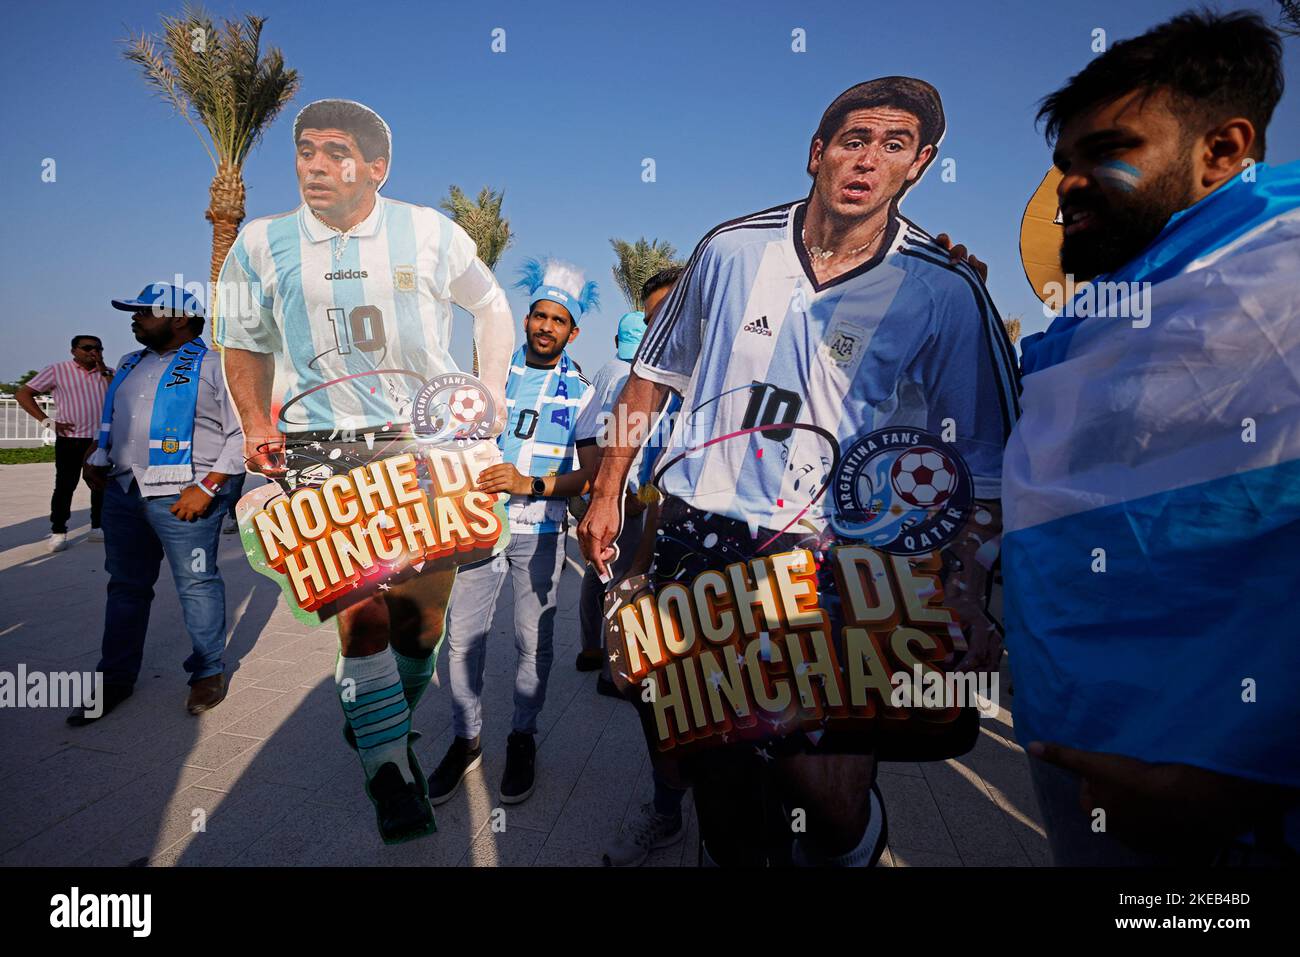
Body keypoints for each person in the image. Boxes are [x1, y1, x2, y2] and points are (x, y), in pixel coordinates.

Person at [580, 77, 1019, 867]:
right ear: (817, 153)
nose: (868, 160)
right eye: (853, 139)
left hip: (842, 557)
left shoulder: (945, 289)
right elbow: (651, 374)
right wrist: (608, 489)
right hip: (700, 535)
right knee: (715, 753)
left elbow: (985, 459)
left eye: (894, 145)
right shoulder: (729, 248)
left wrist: (967, 586)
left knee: (825, 787)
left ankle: (850, 849)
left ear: (920, 165)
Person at [1002, 10, 1300, 865]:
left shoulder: (1279, 276)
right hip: (1083, 763)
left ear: (1222, 148)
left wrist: (1244, 768)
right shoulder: (1117, 311)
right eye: (1065, 164)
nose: (1068, 184)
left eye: (1109, 151)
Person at [214, 98, 516, 844]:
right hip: (319, 447)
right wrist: (256, 422)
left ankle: (386, 713)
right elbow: (241, 338)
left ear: (377, 167)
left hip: (423, 447)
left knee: (423, 620)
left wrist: (493, 388)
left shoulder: (430, 232)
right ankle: (388, 767)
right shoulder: (258, 242)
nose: (315, 165)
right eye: (305, 150)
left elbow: (492, 306)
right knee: (361, 607)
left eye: (336, 152)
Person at [428, 258, 595, 807]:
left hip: (542, 535)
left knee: (533, 644)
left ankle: (522, 736)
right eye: (538, 316)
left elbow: (590, 473)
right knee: (462, 641)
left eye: (558, 320)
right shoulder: (487, 382)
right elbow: (444, 444)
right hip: (479, 530)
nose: (546, 327)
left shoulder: (585, 391)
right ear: (525, 321)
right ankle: (465, 738)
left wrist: (531, 483)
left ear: (573, 332)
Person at [67, 284, 244, 726]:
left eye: (144, 312)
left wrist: (208, 488)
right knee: (125, 587)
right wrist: (99, 456)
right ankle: (115, 678)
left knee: (197, 584)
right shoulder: (129, 365)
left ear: (180, 318)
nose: (134, 318)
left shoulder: (216, 367)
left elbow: (243, 435)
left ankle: (207, 671)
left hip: (185, 495)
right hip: (124, 493)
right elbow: (117, 421)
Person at [16, 335, 113, 550]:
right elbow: (23, 394)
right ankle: (58, 530)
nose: (93, 352)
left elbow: (117, 394)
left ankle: (98, 526)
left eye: (98, 348)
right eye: (87, 348)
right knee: (65, 485)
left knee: (100, 484)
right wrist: (48, 422)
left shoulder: (108, 372)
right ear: (73, 350)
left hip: (100, 440)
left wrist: (103, 369)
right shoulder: (56, 370)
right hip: (71, 440)